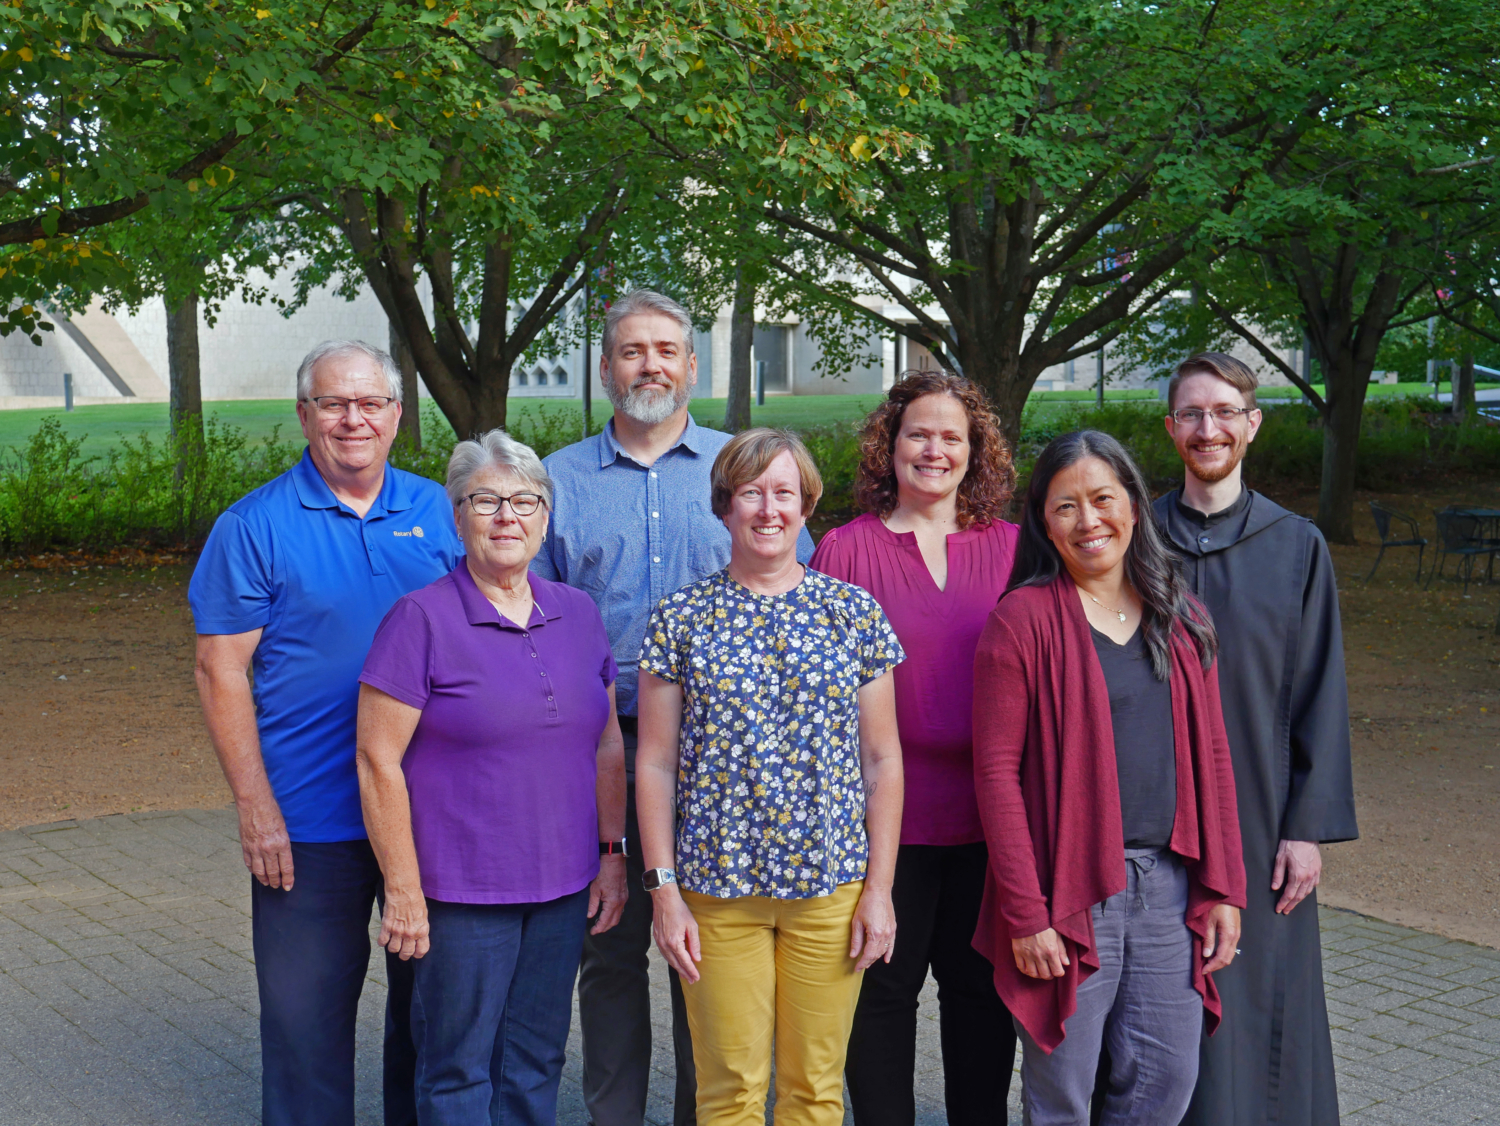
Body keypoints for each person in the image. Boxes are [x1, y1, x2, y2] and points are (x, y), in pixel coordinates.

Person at [532, 289, 814, 1126]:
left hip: (731, 756)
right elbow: (534, 624)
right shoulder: (559, 482)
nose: (649, 364)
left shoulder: (749, 470)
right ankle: (614, 1114)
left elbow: (793, 602)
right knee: (611, 951)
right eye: (630, 350)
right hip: (606, 747)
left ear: (692, 365)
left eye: (665, 349)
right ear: (606, 366)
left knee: (712, 956)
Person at [189, 340, 461, 1126]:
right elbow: (221, 673)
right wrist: (254, 806)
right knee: (305, 1029)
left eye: (371, 403)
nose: (353, 419)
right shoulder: (253, 527)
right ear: (304, 414)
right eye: (334, 403)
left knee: (432, 1023)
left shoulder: (441, 514)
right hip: (307, 821)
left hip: (430, 814)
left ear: (397, 415)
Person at [971, 429, 1246, 1126]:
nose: (1088, 521)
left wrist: (1224, 887)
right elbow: (997, 775)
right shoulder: (1022, 621)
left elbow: (1213, 758)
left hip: (1168, 887)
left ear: (1133, 504)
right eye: (1066, 507)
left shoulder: (1181, 617)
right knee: (1061, 1089)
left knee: (1166, 1081)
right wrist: (1026, 913)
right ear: (1044, 521)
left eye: (1102, 499)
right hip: (1068, 893)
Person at [356, 429, 628, 1125]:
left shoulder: (579, 613)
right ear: (457, 517)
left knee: (536, 1059)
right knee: (455, 1069)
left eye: (525, 502)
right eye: (486, 501)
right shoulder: (420, 619)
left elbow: (605, 743)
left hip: (563, 886)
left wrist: (609, 854)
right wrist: (404, 891)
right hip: (460, 893)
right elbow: (377, 760)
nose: (507, 517)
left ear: (546, 517)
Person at [635, 428, 906, 1126]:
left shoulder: (853, 614)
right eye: (750, 493)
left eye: (783, 492)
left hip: (830, 885)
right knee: (729, 1090)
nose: (767, 509)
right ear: (724, 506)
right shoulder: (680, 619)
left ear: (807, 505)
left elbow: (882, 760)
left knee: (815, 1090)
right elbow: (656, 763)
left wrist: (879, 890)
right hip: (716, 890)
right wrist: (664, 892)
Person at [810, 370, 1019, 1126]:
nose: (934, 450)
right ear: (890, 445)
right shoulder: (845, 552)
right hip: (884, 826)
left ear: (976, 450)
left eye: (951, 437)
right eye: (918, 434)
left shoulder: (1017, 551)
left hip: (993, 824)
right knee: (881, 996)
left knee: (981, 998)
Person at [1157, 353, 1359, 1126]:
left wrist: (1307, 830)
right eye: (1192, 415)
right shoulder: (1136, 539)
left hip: (1262, 814)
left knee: (1265, 995)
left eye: (1224, 413)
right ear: (1172, 427)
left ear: (1252, 423)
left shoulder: (1297, 545)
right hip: (1159, 818)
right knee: (1165, 993)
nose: (1208, 429)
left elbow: (1319, 690)